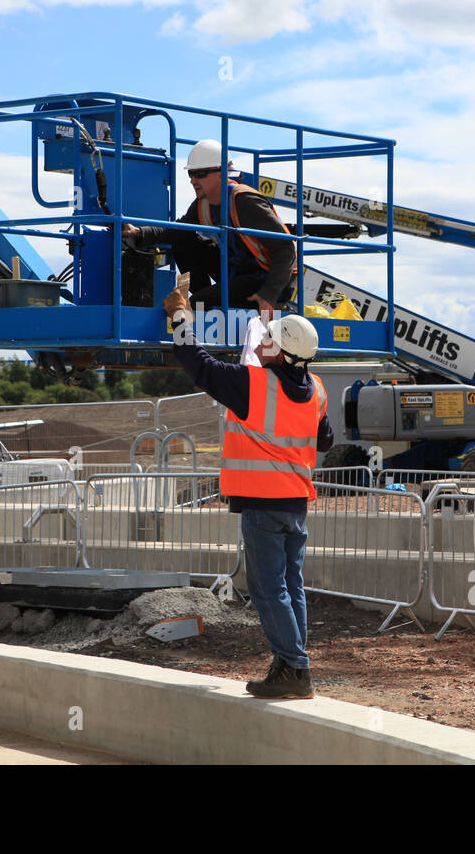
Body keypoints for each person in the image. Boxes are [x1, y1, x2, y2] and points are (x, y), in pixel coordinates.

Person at [163, 288, 332, 698]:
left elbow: (198, 365)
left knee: (268, 590)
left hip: (263, 504)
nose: (262, 340)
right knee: (290, 587)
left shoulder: (253, 384)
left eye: (268, 338)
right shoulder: (318, 389)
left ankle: (294, 667)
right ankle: (289, 663)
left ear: (279, 351)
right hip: (295, 504)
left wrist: (180, 315)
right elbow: (323, 440)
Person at [125, 139, 296, 316]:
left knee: (198, 302)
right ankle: (205, 296)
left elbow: (286, 249)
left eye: (200, 174)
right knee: (182, 238)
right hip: (239, 272)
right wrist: (139, 233)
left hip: (267, 279)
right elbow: (177, 230)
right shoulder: (202, 203)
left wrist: (269, 294)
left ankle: (203, 300)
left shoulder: (246, 202)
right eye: (191, 173)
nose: (192, 180)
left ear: (222, 173)